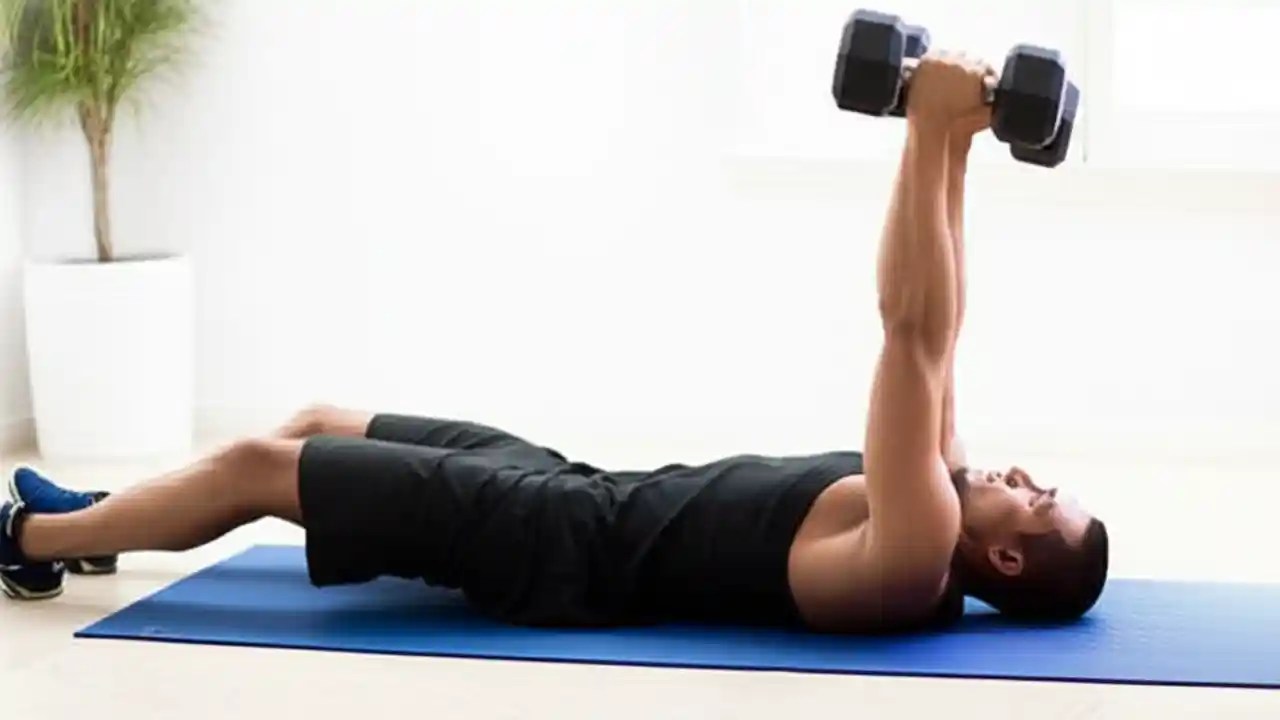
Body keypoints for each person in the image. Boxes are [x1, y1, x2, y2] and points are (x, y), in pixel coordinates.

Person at [0, 52, 1107, 631]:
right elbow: (944, 331)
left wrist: (920, 121)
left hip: (552, 548)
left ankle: (24, 547)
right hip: (577, 490)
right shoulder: (937, 496)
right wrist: (956, 143)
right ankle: (97, 526)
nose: (1021, 477)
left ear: (1003, 558)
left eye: (1037, 499)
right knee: (314, 421)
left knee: (257, 469)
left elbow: (908, 332)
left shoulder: (913, 555)